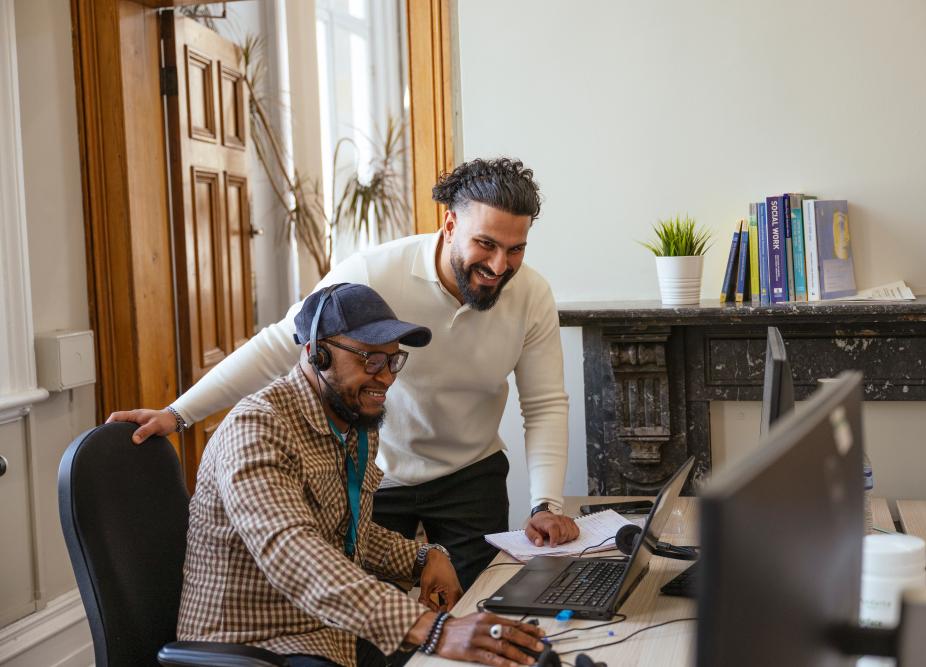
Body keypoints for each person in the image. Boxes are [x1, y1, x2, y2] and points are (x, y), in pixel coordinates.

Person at [108, 157, 579, 589]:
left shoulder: (532, 295)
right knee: (371, 624)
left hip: (471, 475)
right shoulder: (373, 274)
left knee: (481, 604)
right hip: (376, 475)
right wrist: (180, 413)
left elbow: (544, 405)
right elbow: (281, 342)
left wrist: (545, 504)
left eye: (515, 249)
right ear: (450, 224)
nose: (500, 266)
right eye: (486, 244)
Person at [177, 283, 545, 667]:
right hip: (258, 647)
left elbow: (351, 533)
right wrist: (431, 628)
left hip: (330, 632)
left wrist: (424, 557)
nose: (386, 378)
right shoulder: (257, 429)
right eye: (369, 359)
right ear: (315, 353)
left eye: (392, 361)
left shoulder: (352, 421)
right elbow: (294, 552)